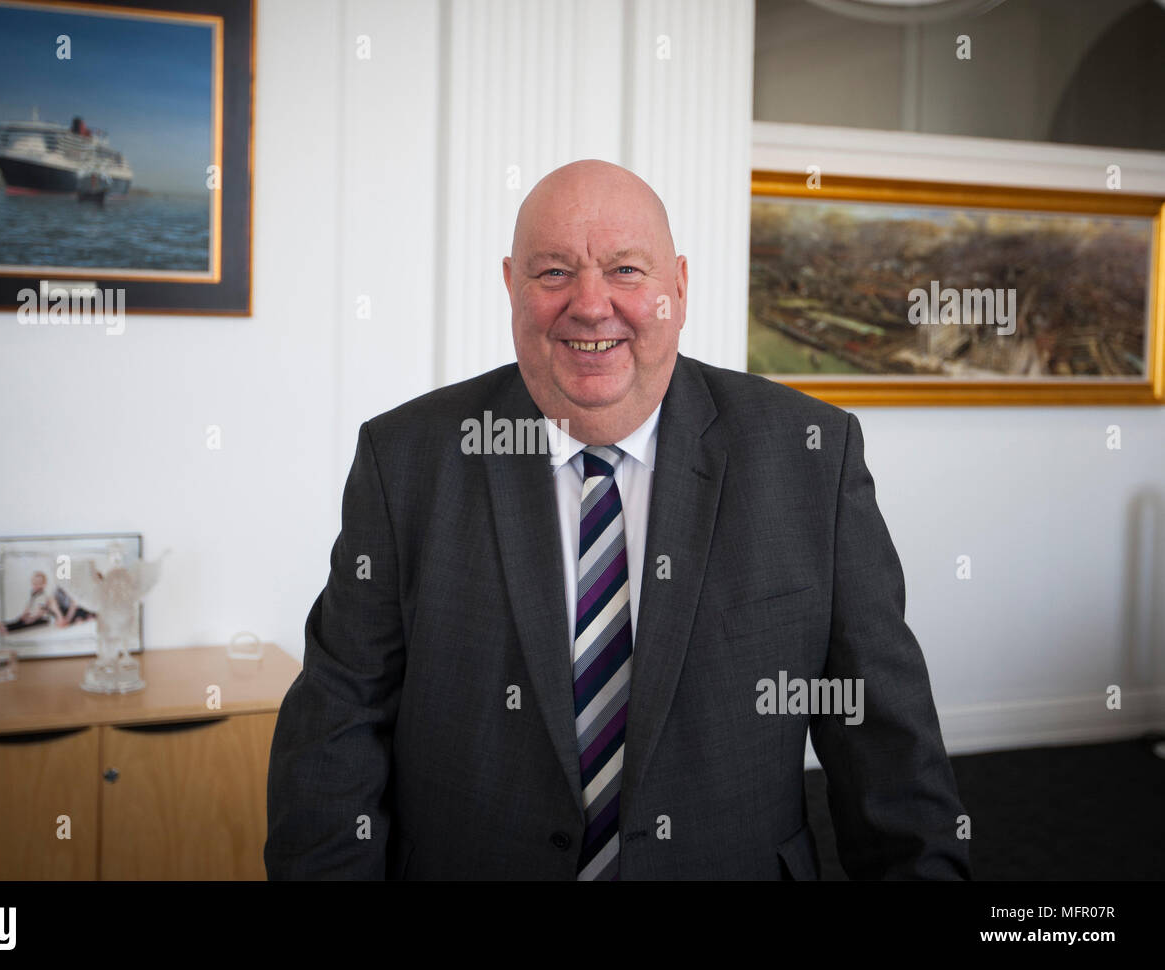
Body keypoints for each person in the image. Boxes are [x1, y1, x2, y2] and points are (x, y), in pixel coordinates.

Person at [265, 160, 969, 880]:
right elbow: (337, 727)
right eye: (554, 273)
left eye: (626, 270)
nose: (592, 305)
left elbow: (885, 746)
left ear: (679, 288)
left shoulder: (810, 458)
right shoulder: (406, 460)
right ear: (512, 286)